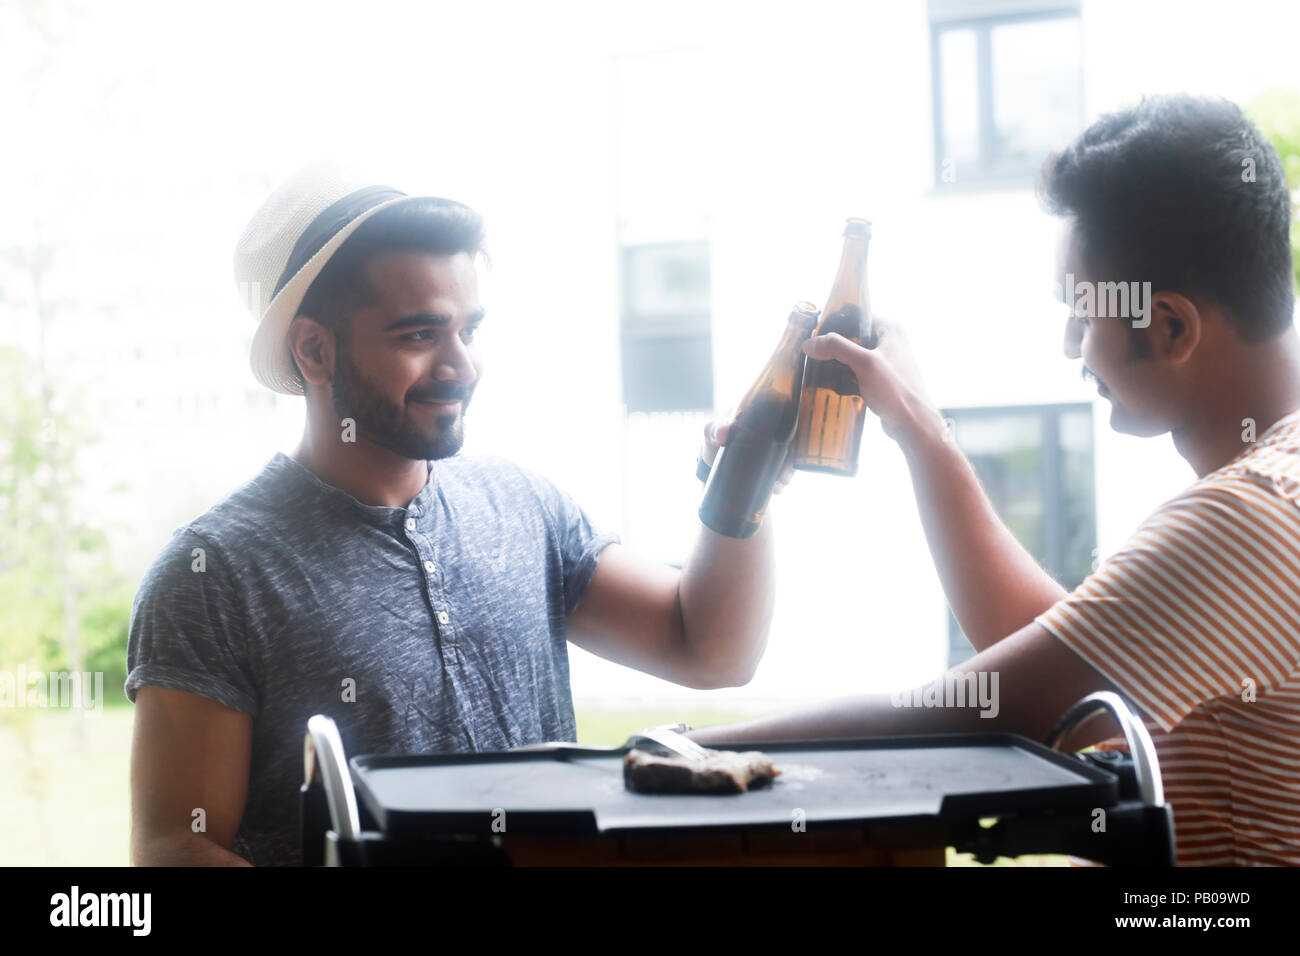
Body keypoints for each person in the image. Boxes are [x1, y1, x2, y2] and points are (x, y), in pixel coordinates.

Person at [692, 94, 1300, 866]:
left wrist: (678, 749)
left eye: (1081, 314)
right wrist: (920, 430)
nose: (1070, 347)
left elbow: (982, 711)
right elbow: (1055, 658)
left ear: (1173, 327)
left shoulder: (1247, 519)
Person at [126, 166, 783, 866]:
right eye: (419, 336)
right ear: (314, 349)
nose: (461, 365)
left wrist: (744, 481)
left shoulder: (523, 505)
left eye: (469, 329)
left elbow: (711, 649)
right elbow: (177, 847)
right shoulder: (214, 573)